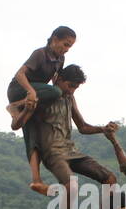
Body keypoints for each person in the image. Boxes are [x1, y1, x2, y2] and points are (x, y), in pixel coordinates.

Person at [30, 62, 121, 209]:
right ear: (58, 79)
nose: (72, 91)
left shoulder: (69, 100)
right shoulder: (46, 97)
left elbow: (82, 127)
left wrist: (103, 129)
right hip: (52, 152)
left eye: (76, 88)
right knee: (71, 185)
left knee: (110, 178)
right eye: (70, 86)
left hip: (70, 150)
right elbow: (29, 127)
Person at [6, 25, 75, 190]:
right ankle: (15, 106)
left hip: (37, 96)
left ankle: (36, 180)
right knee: (56, 92)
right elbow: (20, 74)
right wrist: (30, 92)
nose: (66, 49)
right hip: (19, 90)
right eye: (65, 44)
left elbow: (55, 81)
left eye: (70, 46)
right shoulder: (40, 54)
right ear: (54, 39)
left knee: (33, 134)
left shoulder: (60, 60)